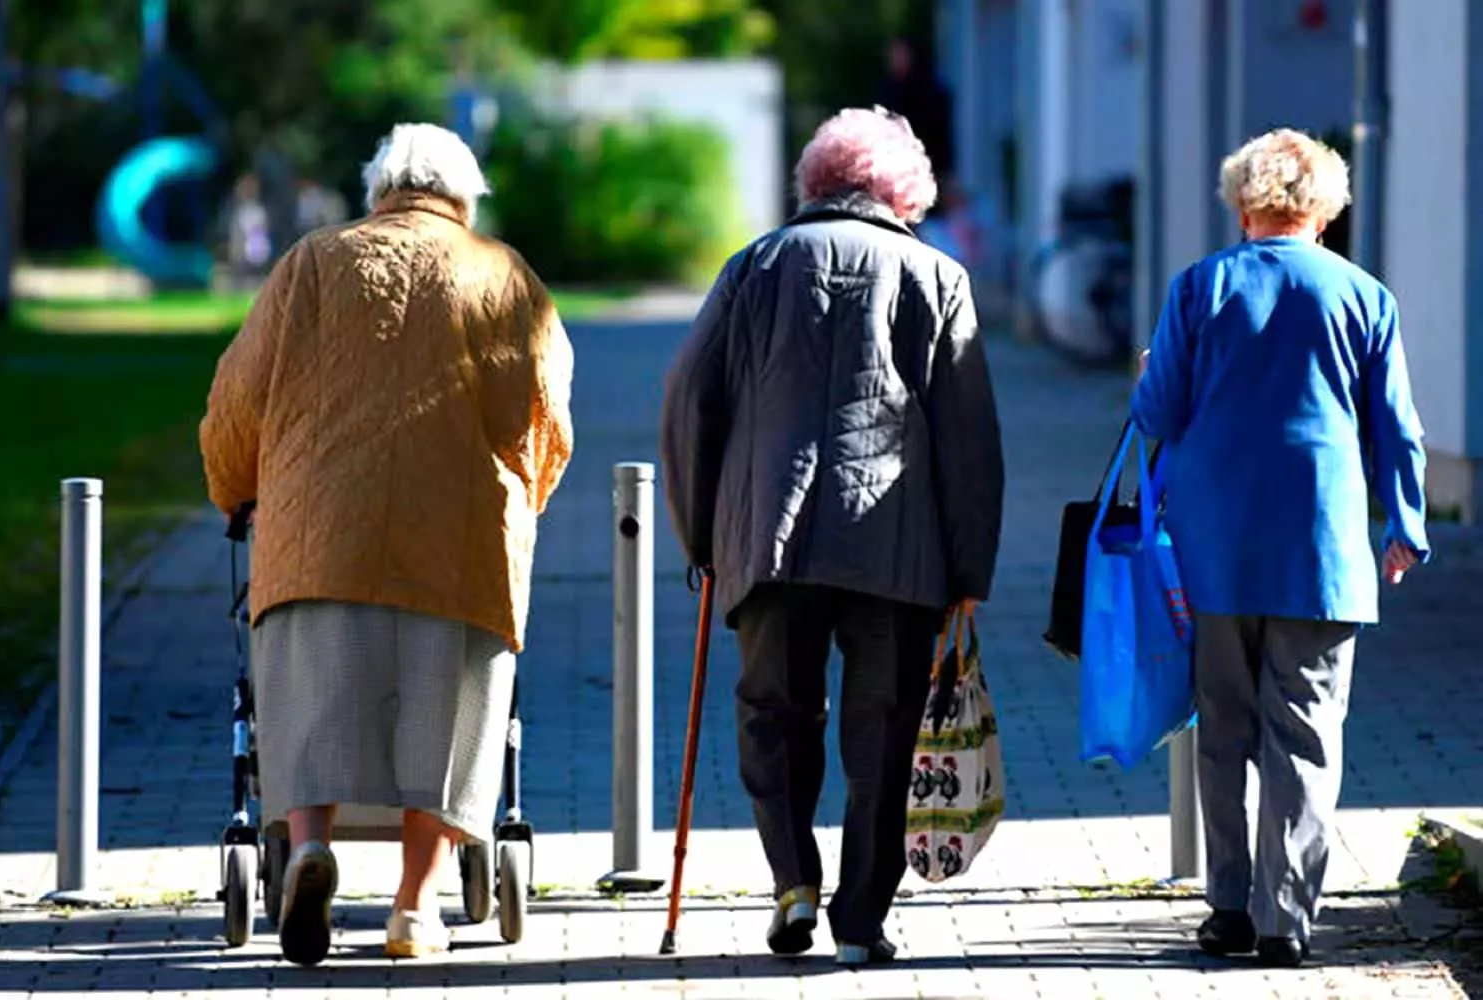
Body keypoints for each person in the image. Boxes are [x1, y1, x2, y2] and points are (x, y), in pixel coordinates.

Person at [199, 123, 574, 965]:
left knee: (310, 710)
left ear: (378, 192)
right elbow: (545, 418)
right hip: (458, 550)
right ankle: (415, 909)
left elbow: (239, 399)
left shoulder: (310, 264)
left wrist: (233, 488)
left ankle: (310, 849)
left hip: (315, 538)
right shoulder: (502, 274)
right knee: (446, 723)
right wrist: (529, 500)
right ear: (463, 197)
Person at [660, 107, 1005, 968]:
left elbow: (689, 403)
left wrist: (700, 534)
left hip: (766, 539)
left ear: (815, 181)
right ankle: (859, 919)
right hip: (896, 547)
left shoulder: (755, 266)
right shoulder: (935, 276)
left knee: (774, 712)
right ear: (904, 192)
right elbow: (967, 435)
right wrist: (970, 564)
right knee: (884, 727)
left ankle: (793, 883)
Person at [1132, 128, 1428, 969]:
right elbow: (1396, 430)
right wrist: (1404, 525)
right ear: (1326, 209)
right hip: (1322, 550)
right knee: (1306, 734)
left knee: (1222, 726)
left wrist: (1150, 371)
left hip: (1213, 547)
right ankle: (1285, 918)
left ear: (1242, 202)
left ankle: (1225, 905)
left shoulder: (1202, 288)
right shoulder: (1364, 297)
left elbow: (1157, 415)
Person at [877, 37, 955, 183]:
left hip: (926, 162)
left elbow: (940, 132)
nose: (896, 59)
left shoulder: (929, 90)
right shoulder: (888, 88)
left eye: (900, 54)